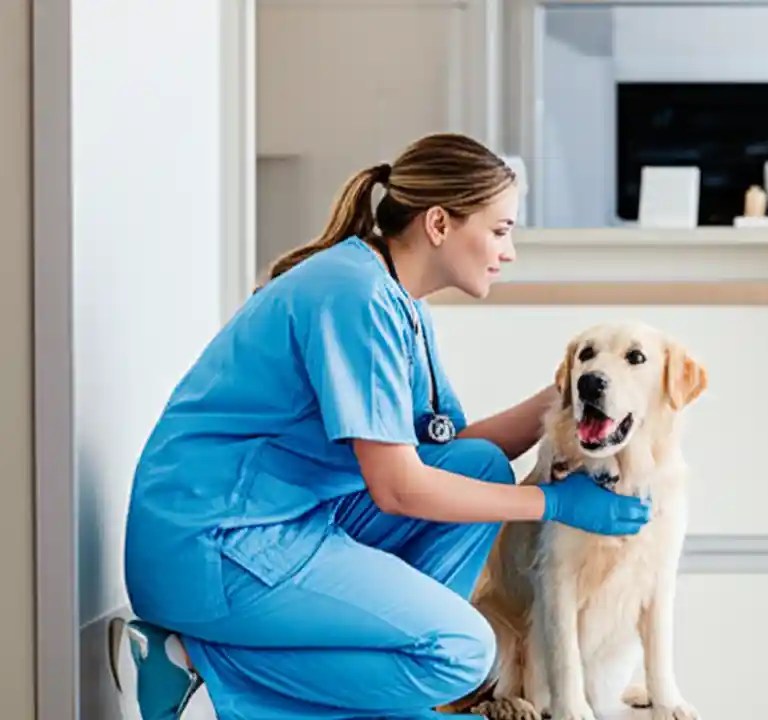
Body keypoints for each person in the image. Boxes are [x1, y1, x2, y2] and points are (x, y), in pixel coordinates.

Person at [114, 132, 653, 719]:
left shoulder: (400, 302)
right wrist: (553, 503)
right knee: (459, 651)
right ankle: (194, 665)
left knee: (481, 467)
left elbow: (439, 455)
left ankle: (395, 688)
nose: (510, 250)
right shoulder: (355, 296)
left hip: (287, 520)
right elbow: (398, 488)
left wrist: (575, 389)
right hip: (213, 545)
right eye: (500, 230)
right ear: (440, 224)